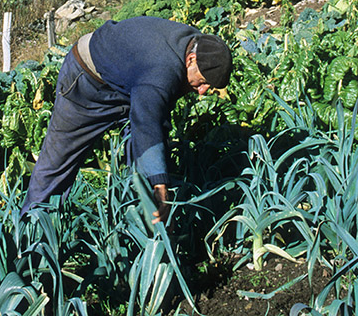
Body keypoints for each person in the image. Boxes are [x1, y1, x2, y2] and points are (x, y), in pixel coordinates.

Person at [21, 16, 233, 222]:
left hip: (127, 84)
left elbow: (156, 115)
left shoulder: (196, 45)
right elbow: (147, 123)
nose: (202, 91)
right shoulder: (162, 69)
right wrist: (159, 183)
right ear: (191, 59)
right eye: (203, 82)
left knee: (145, 160)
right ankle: (32, 231)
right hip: (86, 80)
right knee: (57, 163)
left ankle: (141, 224)